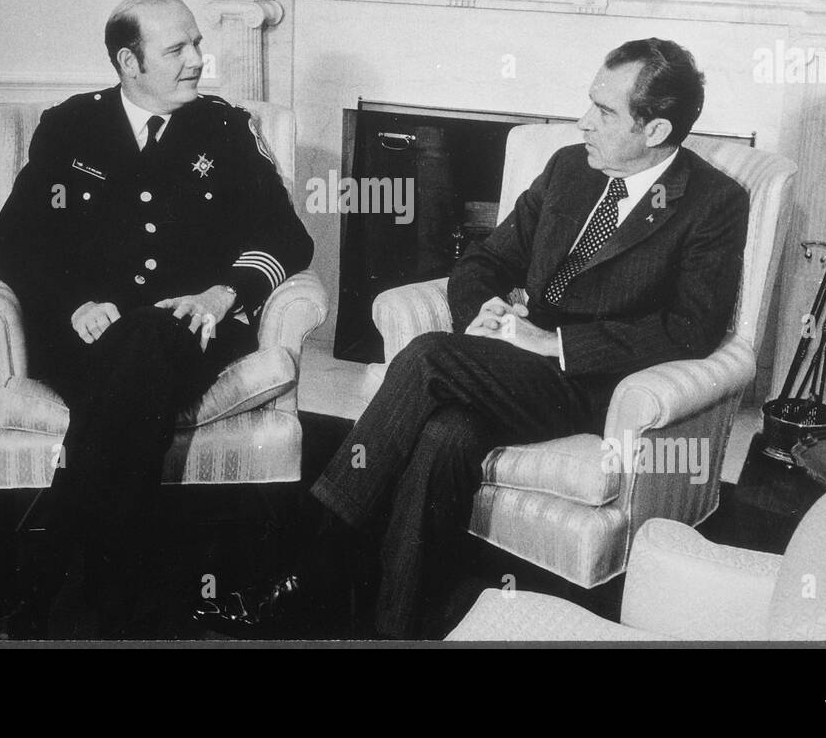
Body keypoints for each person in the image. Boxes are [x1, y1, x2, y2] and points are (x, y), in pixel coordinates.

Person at [200, 37, 749, 639]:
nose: (584, 122)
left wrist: (555, 343)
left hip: (600, 390)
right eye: (589, 103)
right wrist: (479, 313)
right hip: (513, 367)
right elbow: (488, 259)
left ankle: (310, 568)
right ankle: (396, 626)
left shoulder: (712, 202)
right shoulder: (570, 168)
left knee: (427, 358)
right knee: (445, 436)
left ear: (656, 130)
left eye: (606, 112)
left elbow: (690, 331)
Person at [0, 0, 313, 638]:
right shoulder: (70, 126)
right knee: (132, 363)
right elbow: (15, 239)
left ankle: (55, 568)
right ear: (129, 62)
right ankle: (111, 593)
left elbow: (286, 236)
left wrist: (224, 293)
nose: (198, 58)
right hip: (86, 336)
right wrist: (72, 302)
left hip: (189, 333)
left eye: (196, 42)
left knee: (150, 342)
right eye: (178, 48)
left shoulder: (224, 129)